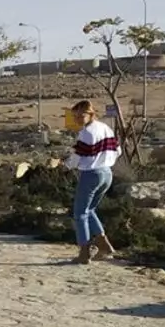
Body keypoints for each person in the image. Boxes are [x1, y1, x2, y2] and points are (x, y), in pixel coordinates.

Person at [62, 99, 119, 264]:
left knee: (79, 213)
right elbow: (118, 150)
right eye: (75, 116)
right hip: (107, 173)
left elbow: (79, 156)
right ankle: (104, 245)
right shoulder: (106, 128)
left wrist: (66, 165)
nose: (78, 118)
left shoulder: (86, 133)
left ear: (90, 114)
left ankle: (84, 252)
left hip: (91, 174)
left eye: (81, 115)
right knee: (90, 209)